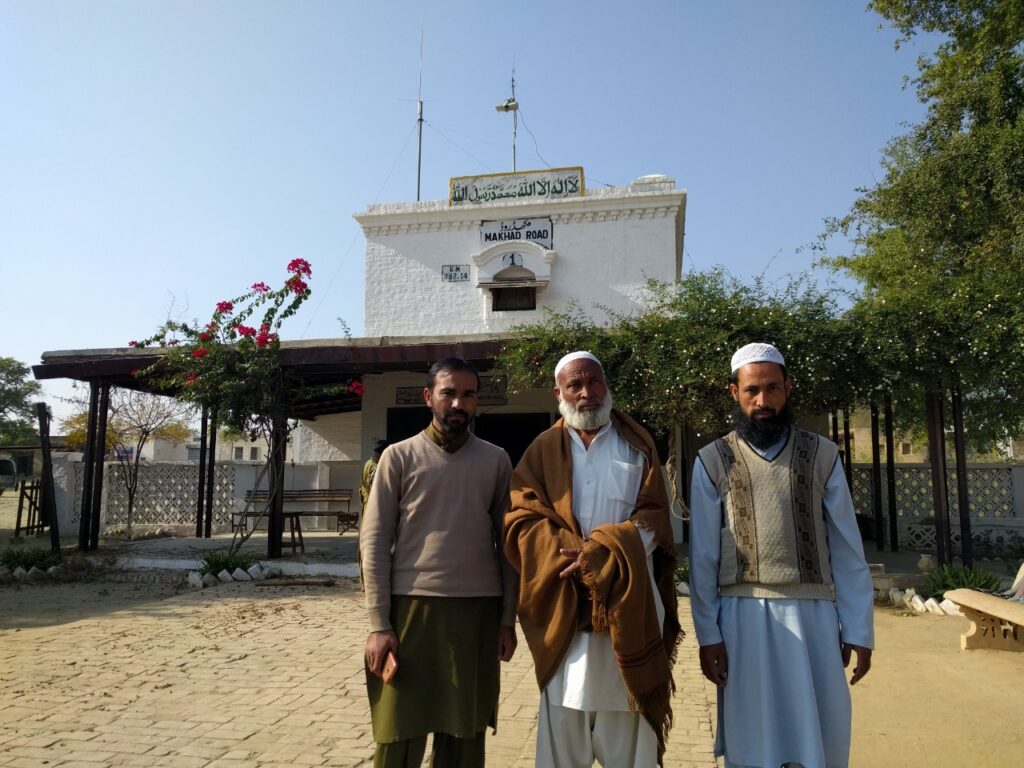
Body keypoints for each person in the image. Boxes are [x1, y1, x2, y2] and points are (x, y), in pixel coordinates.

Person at [689, 342, 875, 768]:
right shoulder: (712, 460)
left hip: (814, 615)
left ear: (787, 389)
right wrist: (708, 635)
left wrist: (859, 628)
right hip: (742, 617)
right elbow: (702, 557)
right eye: (752, 390)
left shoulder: (822, 455)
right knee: (754, 737)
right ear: (733, 392)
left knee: (820, 735)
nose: (763, 401)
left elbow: (847, 547)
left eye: (772, 389)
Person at [504, 351, 681, 768]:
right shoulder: (542, 449)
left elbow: (654, 516)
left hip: (628, 603)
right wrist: (573, 558)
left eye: (594, 382)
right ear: (558, 393)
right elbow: (521, 517)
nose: (586, 393)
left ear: (606, 384)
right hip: (564, 601)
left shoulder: (637, 445)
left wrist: (605, 551)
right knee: (563, 731)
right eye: (575, 386)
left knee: (629, 730)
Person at [360, 357, 518, 768]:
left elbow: (510, 546)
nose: (458, 403)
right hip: (410, 611)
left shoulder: (496, 461)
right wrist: (379, 624)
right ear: (429, 397)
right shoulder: (398, 457)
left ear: (477, 402)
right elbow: (374, 541)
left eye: (468, 395)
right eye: (448, 393)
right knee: (398, 732)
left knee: (465, 732)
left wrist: (507, 619)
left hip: (477, 614)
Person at [359, 439, 388, 508]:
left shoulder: (368, 463)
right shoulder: (376, 467)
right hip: (373, 505)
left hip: (366, 501)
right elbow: (376, 489)